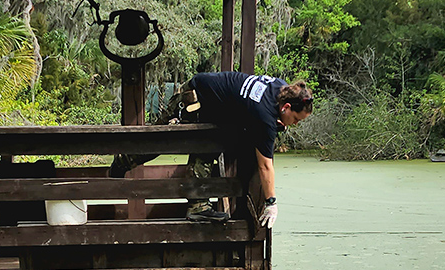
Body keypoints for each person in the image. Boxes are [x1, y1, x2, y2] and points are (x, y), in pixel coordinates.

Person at [110, 72, 313, 227]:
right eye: (295, 119)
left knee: (211, 145)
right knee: (163, 142)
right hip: (194, 98)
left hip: (214, 105)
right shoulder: (265, 118)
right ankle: (123, 162)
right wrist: (271, 203)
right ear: (286, 107)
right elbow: (265, 166)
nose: (293, 124)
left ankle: (198, 206)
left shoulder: (280, 88)